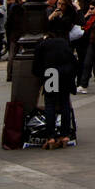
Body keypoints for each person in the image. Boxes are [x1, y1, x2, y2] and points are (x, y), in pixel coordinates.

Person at [32, 21, 75, 149]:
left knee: (50, 105)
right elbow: (74, 61)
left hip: (51, 74)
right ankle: (65, 135)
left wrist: (42, 76)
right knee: (64, 104)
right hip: (65, 74)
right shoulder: (64, 43)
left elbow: (35, 67)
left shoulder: (42, 45)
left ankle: (50, 137)